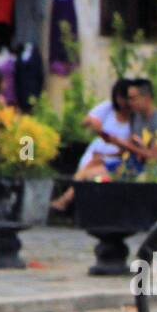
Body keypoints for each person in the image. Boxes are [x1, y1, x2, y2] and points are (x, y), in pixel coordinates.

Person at [50, 78, 132, 212]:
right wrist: (96, 125)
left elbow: (126, 148)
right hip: (97, 153)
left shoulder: (134, 119)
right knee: (90, 164)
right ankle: (67, 201)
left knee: (90, 169)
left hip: (114, 158)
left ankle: (65, 200)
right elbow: (86, 121)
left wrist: (108, 151)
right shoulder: (108, 108)